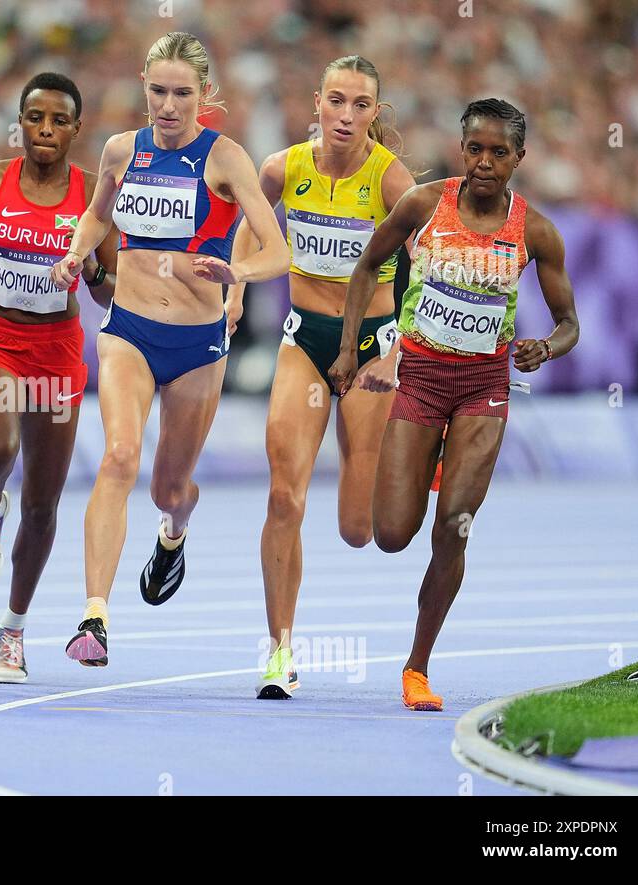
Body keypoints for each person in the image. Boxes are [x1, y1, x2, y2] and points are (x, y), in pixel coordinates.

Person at [328, 98, 579, 711]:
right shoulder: (423, 204)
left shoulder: (536, 231)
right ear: (461, 149)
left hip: (483, 389)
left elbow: (570, 322)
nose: (485, 163)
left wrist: (544, 348)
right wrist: (347, 352)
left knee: (454, 529)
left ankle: (417, 666)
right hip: (420, 380)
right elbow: (366, 268)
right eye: (476, 150)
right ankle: (429, 461)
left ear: (520, 158)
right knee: (391, 533)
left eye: (499, 153)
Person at [51, 32, 288, 666]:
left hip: (197, 345)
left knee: (168, 486)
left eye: (183, 93)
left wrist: (236, 277)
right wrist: (77, 251)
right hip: (128, 329)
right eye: (158, 91)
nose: (169, 105)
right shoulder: (120, 151)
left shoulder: (227, 158)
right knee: (119, 457)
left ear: (205, 95)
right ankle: (95, 616)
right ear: (143, 86)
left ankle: (173, 534)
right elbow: (98, 216)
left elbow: (277, 251)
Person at [228, 56, 417, 699]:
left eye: (360, 105)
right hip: (304, 340)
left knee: (358, 530)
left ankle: (417, 459)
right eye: (335, 101)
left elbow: (428, 262)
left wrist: (398, 351)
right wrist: (234, 293)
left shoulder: (392, 180)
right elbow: (247, 231)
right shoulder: (284, 168)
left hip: (368, 346)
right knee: (284, 495)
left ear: (375, 114)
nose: (345, 115)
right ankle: (280, 649)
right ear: (316, 103)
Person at [0, 72, 117, 683]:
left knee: (44, 504)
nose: (46, 130)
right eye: (34, 118)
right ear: (20, 122)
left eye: (59, 120)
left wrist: (84, 270)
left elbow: (109, 289)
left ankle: (13, 631)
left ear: (76, 130)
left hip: (57, 353)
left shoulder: (92, 193)